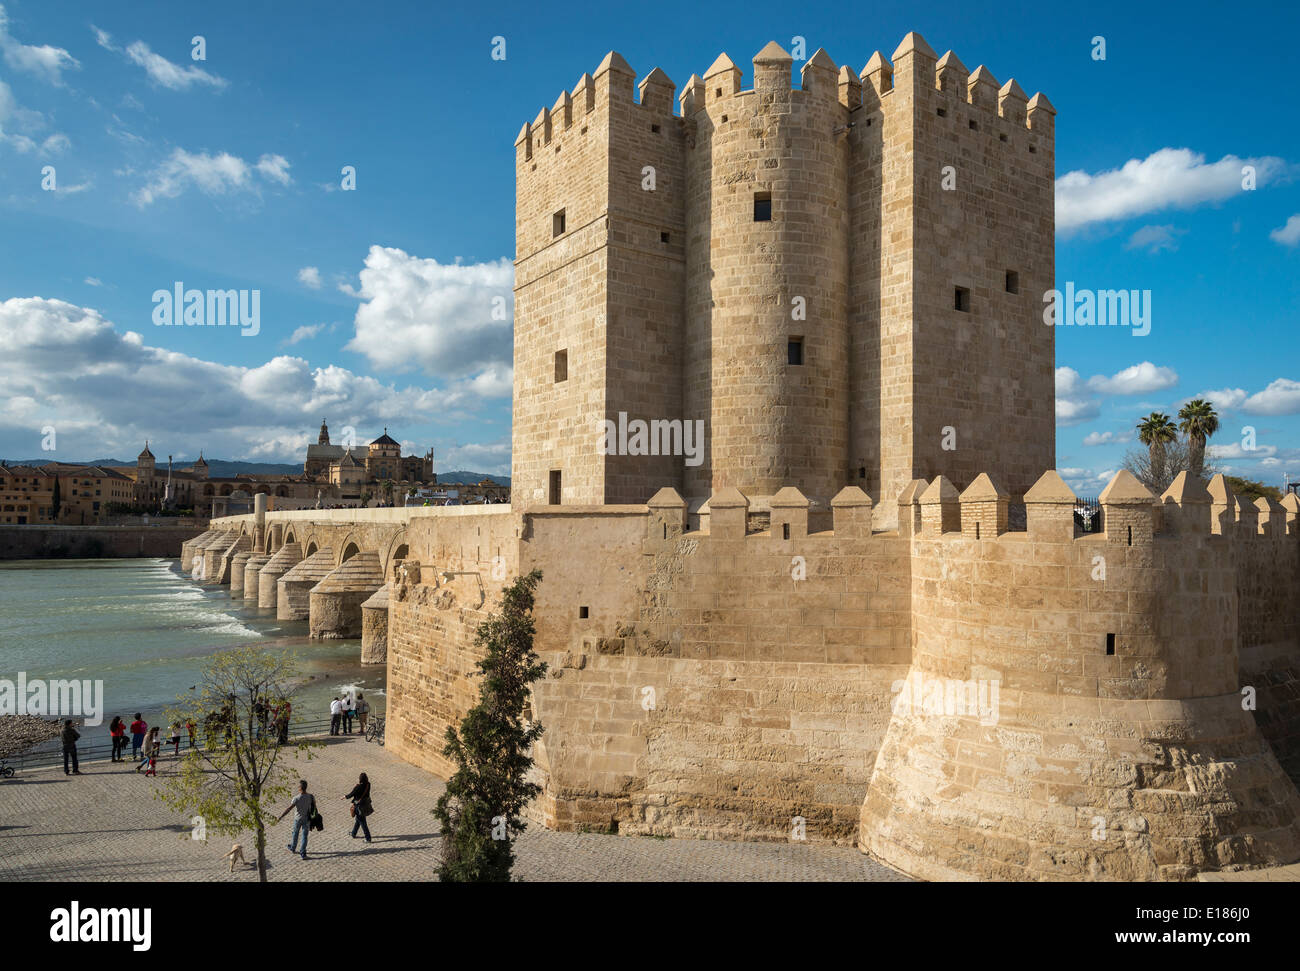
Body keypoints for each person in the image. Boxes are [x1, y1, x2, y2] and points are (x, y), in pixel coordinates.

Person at [278, 780, 315, 860]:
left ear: (300, 788)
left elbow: (289, 808)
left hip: (298, 819)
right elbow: (314, 806)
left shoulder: (296, 798)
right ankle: (303, 853)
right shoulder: (311, 796)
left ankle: (293, 847)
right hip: (307, 819)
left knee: (295, 833)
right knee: (305, 836)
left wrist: (281, 816)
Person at [344, 772, 373, 842]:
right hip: (365, 804)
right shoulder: (368, 784)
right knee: (358, 820)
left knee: (363, 823)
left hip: (359, 806)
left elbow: (351, 794)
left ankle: (368, 838)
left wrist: (345, 796)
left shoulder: (358, 787)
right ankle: (353, 833)